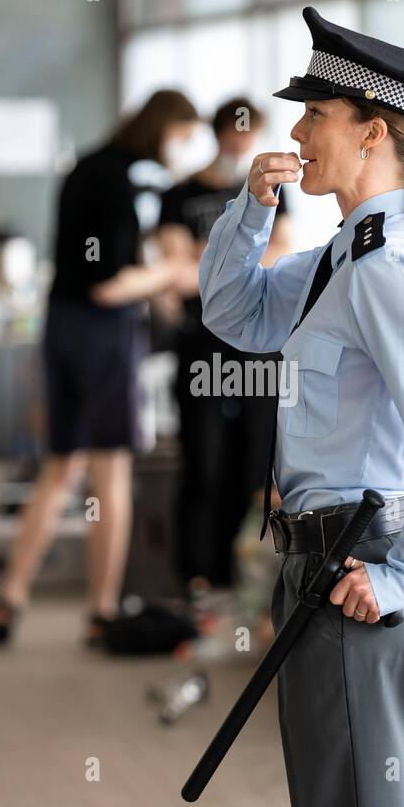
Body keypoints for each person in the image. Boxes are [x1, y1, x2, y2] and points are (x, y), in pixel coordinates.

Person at [197, 7, 404, 807]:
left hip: (364, 573)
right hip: (325, 568)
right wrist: (251, 210)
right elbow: (236, 314)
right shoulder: (348, 254)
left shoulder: (389, 269)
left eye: (314, 115)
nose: (296, 131)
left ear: (370, 132)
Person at [0, 89, 200, 646]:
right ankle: (102, 609)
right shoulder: (123, 180)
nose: (183, 147)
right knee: (111, 473)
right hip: (101, 335)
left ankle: (9, 599)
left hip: (62, 326)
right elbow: (110, 284)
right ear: (164, 128)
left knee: (59, 469)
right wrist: (175, 270)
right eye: (182, 134)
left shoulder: (86, 168)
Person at [157, 97, 293, 596]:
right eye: (235, 135)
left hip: (258, 346)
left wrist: (216, 256)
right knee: (203, 462)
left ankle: (244, 580)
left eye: (249, 136)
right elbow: (176, 268)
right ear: (217, 135)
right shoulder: (180, 193)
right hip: (200, 344)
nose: (241, 144)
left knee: (256, 462)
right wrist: (238, 255)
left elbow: (282, 254)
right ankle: (198, 575)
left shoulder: (271, 191)